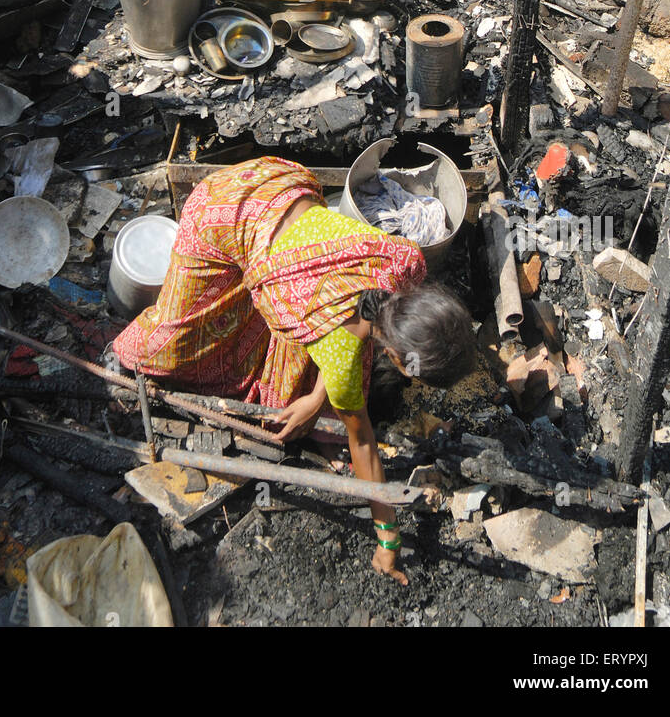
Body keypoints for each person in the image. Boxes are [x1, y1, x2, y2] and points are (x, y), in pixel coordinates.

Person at [112, 156, 476, 583]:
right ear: (397, 357)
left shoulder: (405, 261)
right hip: (219, 210)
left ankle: (263, 295)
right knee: (167, 349)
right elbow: (364, 447)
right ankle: (124, 350)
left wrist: (317, 397)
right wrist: (388, 542)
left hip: (282, 184)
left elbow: (346, 329)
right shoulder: (340, 352)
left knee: (306, 345)